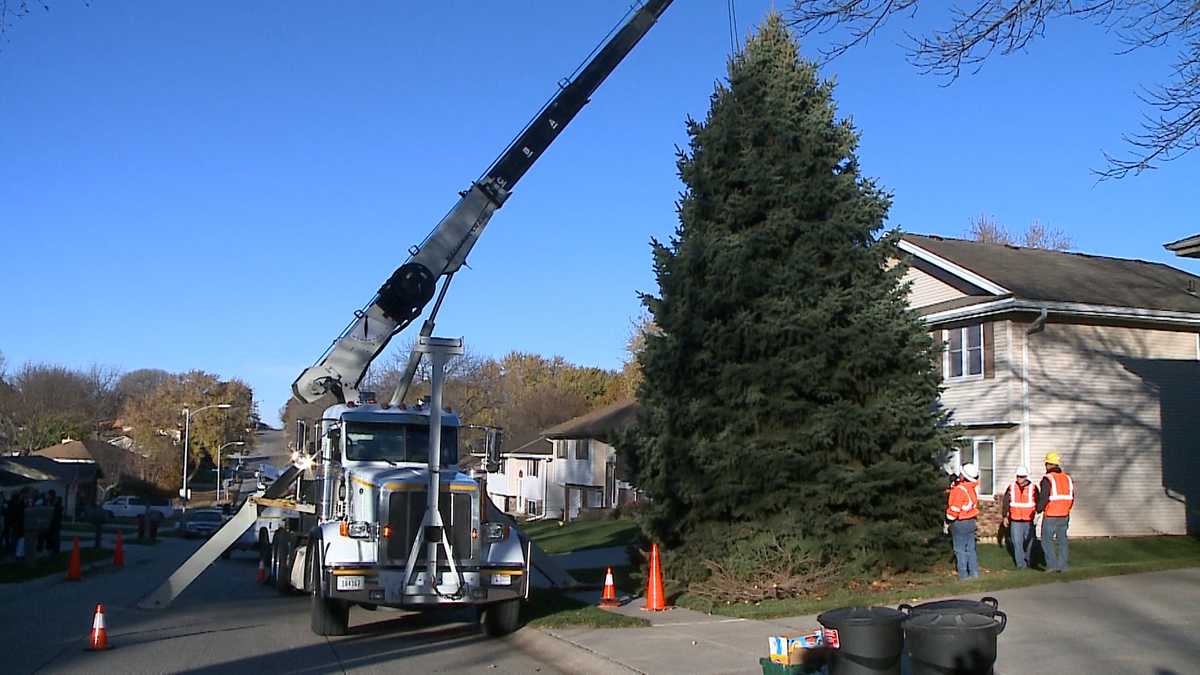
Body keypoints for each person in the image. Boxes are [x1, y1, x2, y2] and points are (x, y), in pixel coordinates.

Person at [1036, 452, 1074, 572]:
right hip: (1064, 514)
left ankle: (1052, 565)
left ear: (1048, 464)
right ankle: (1063, 566)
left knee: (1046, 540)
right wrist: (1067, 508)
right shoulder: (1067, 478)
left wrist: (1038, 510)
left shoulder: (1048, 479)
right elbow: (1072, 497)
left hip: (1051, 515)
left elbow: (1044, 497)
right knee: (1062, 540)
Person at [946, 463, 981, 580]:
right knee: (970, 549)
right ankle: (974, 573)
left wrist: (948, 521)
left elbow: (954, 509)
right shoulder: (971, 488)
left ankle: (963, 575)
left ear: (964, 476)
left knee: (960, 550)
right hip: (971, 522)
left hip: (960, 523)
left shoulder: (959, 490)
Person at [1001, 466, 1038, 569]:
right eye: (1018, 476)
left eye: (1021, 477)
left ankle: (1029, 560)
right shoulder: (1011, 487)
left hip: (1029, 520)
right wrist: (1004, 516)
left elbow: (1038, 502)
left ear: (1026, 477)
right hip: (1015, 520)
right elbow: (1006, 502)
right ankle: (1021, 564)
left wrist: (1037, 515)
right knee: (1017, 542)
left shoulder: (1033, 488)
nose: (1019, 479)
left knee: (1029, 542)